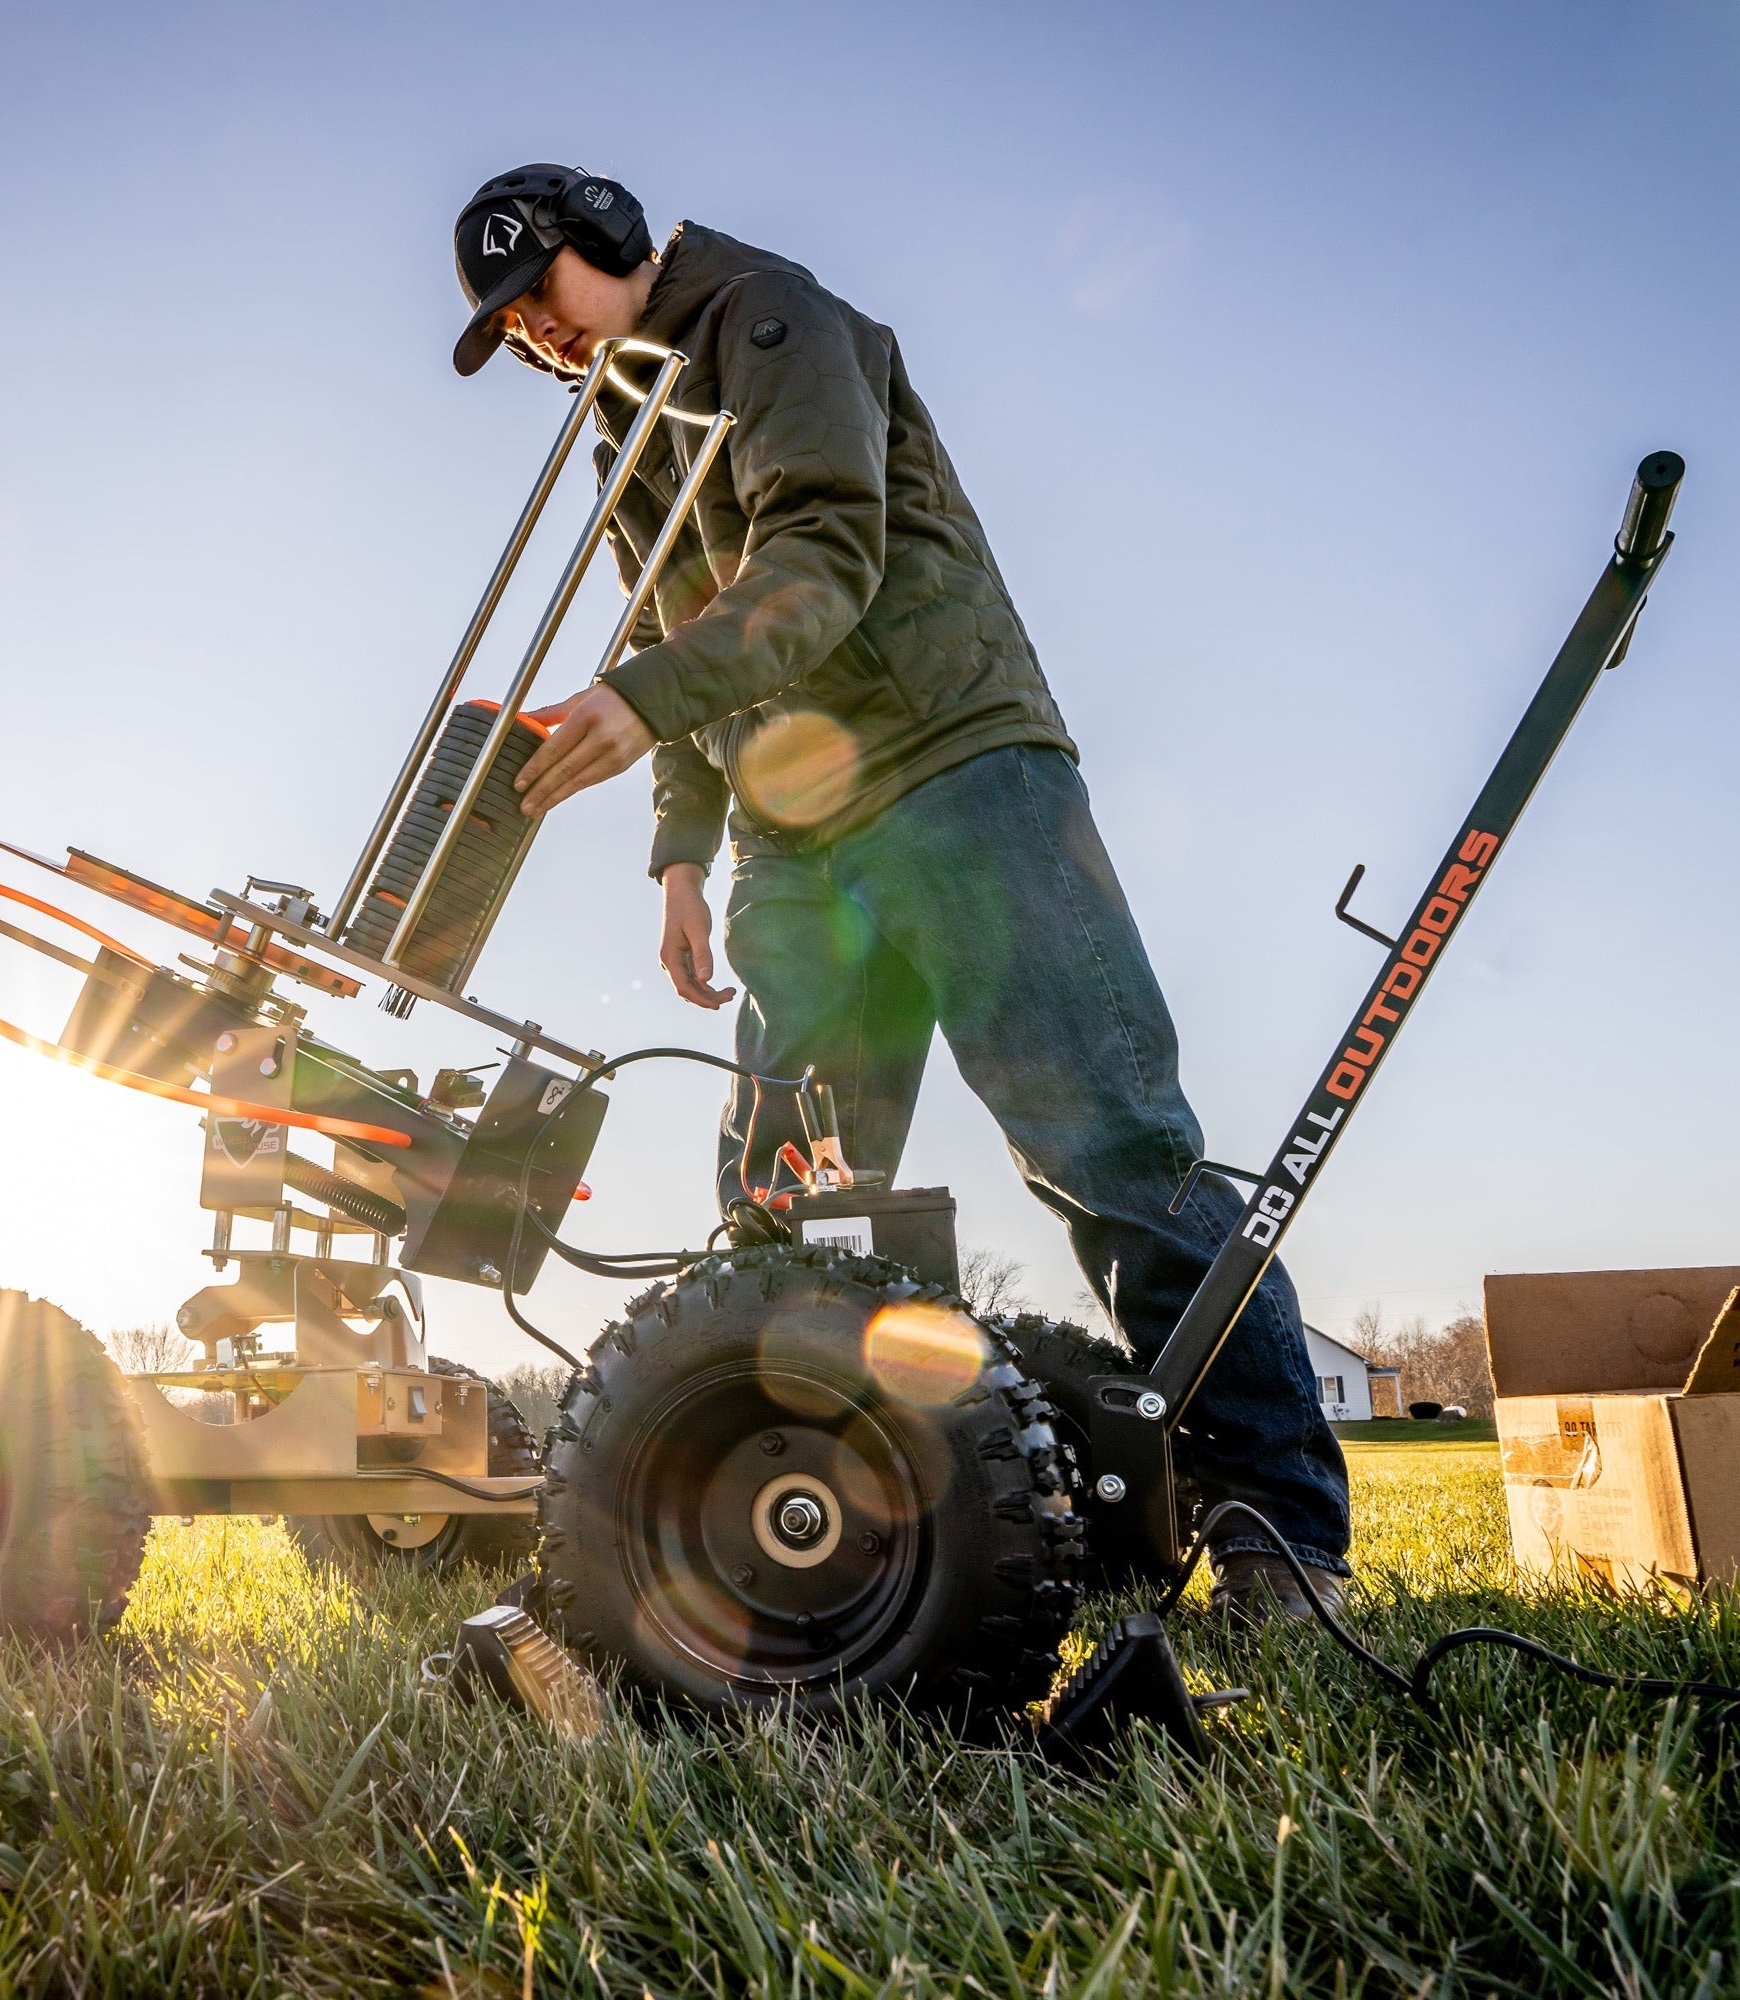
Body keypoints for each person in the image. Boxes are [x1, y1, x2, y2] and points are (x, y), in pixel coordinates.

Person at [448, 163, 1351, 1618]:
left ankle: (1278, 1537)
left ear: (604, 233)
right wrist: (680, 856)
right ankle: (783, 1548)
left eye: (535, 291)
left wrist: (647, 694)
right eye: (507, 329)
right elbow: (679, 638)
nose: (534, 335)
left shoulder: (773, 321)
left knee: (1107, 1148)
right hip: (790, 835)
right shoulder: (624, 418)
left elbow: (823, 555)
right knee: (785, 1200)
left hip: (954, 771)